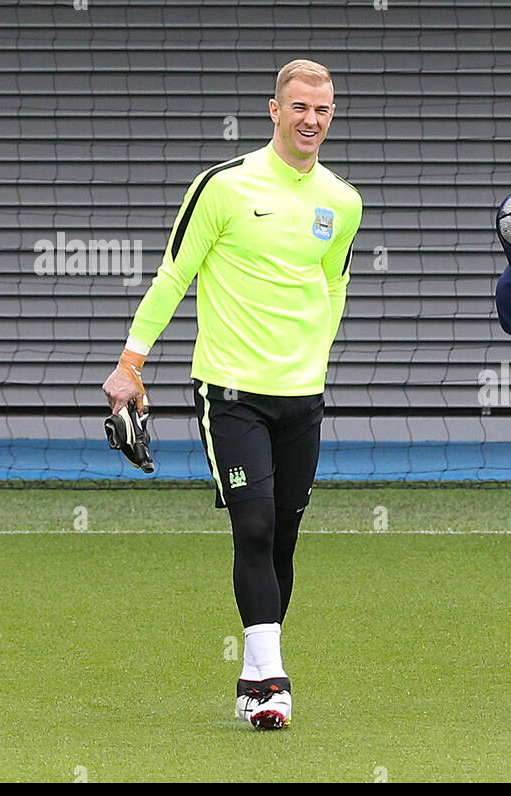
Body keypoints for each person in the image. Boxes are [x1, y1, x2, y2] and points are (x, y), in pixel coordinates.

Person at [101, 59, 363, 728]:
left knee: (284, 537)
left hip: (303, 394)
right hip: (230, 391)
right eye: (299, 106)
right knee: (253, 520)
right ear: (274, 110)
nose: (311, 119)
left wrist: (319, 350)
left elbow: (333, 284)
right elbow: (172, 275)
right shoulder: (222, 186)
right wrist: (130, 365)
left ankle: (253, 678)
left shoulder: (343, 201)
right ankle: (274, 681)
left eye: (323, 109)